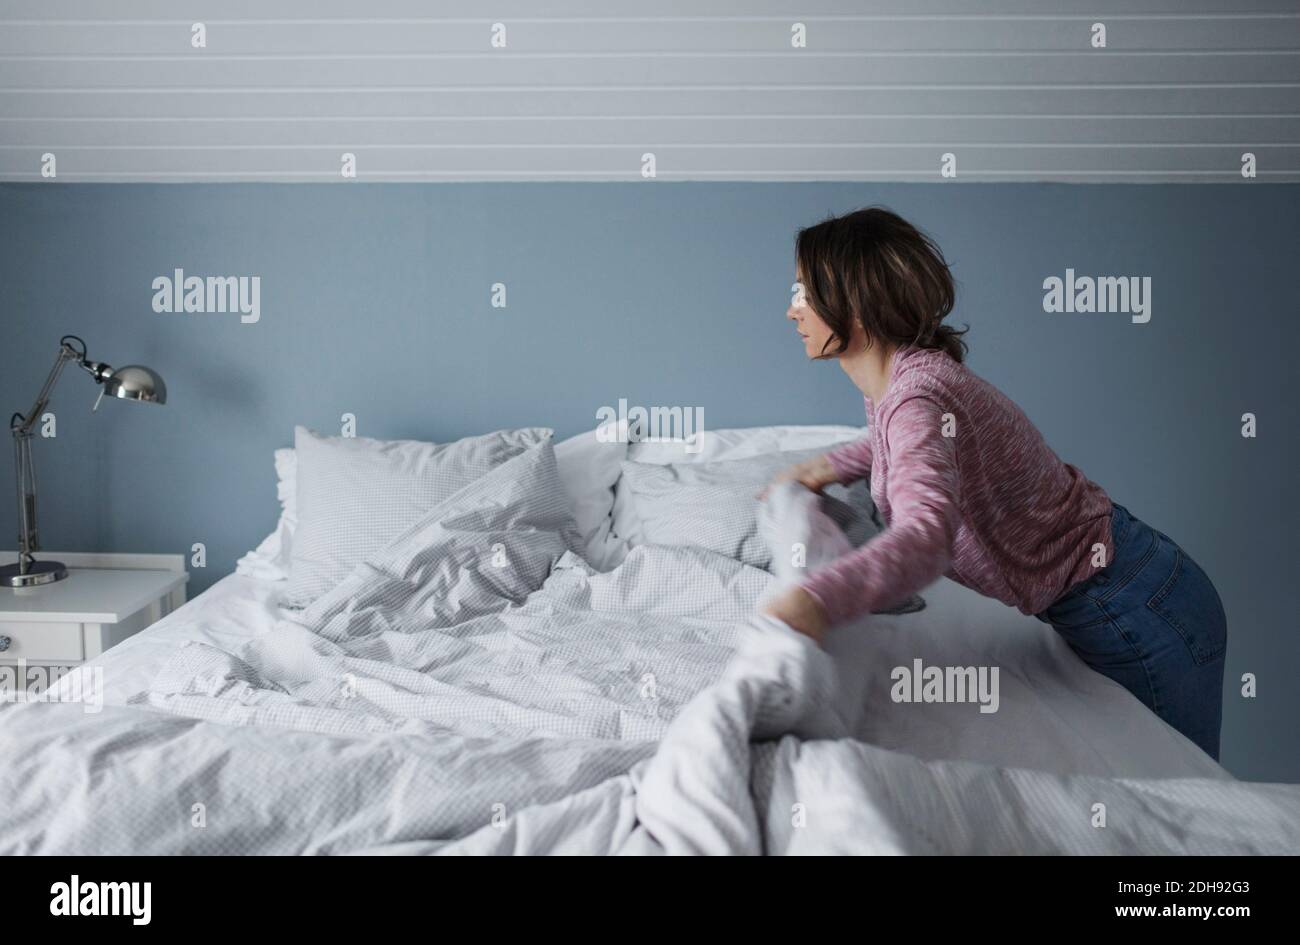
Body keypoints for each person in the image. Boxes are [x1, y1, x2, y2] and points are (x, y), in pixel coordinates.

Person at [762, 207, 1227, 759]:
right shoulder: (900, 382)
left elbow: (926, 536)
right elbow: (904, 447)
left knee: (1182, 793)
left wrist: (816, 601)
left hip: (1137, 605)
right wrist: (827, 467)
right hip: (1123, 589)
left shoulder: (915, 396)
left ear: (856, 305)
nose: (791, 310)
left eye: (804, 292)